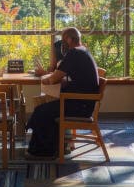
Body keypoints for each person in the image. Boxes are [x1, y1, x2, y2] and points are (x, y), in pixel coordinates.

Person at [25, 27, 99, 159]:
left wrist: (45, 77)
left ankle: (44, 151)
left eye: (64, 41)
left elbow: (53, 79)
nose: (62, 45)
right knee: (43, 109)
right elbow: (73, 78)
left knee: (41, 111)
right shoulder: (83, 51)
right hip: (84, 103)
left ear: (70, 39)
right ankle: (50, 147)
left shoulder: (74, 53)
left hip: (80, 106)